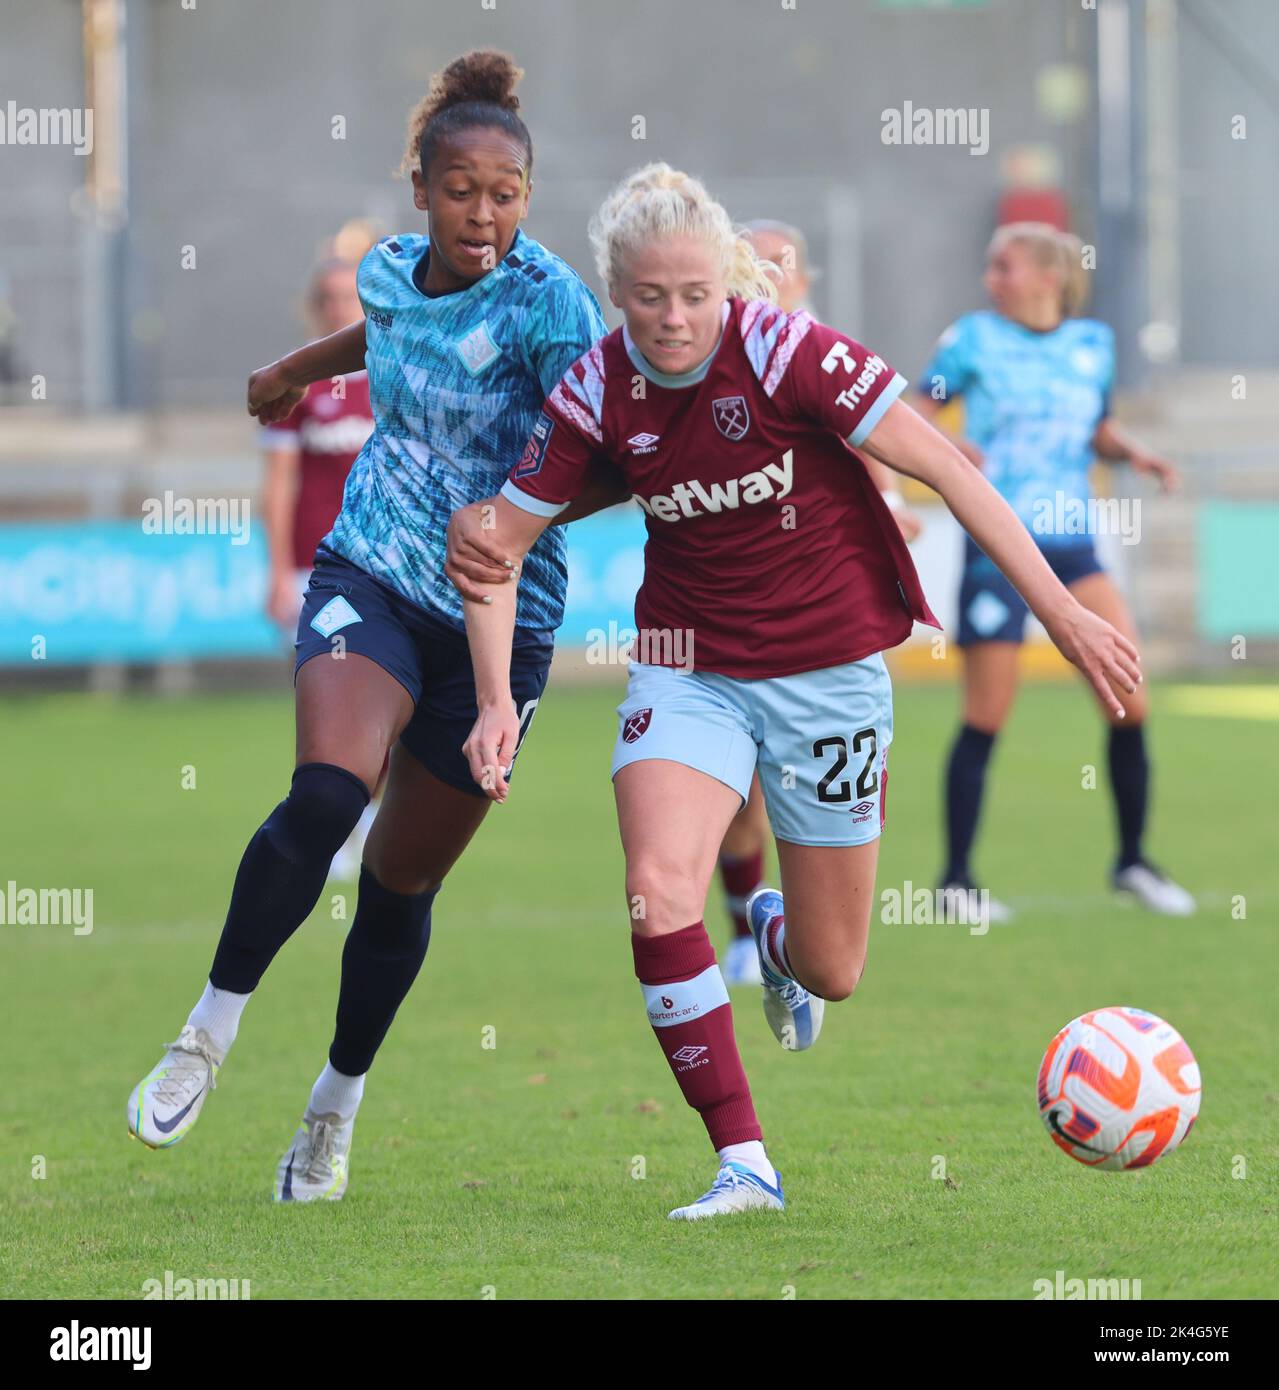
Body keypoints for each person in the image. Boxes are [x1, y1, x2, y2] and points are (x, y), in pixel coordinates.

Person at [446, 165, 1140, 1220]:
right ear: (615, 292)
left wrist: (1061, 609)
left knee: (834, 968)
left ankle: (772, 937)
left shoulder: (785, 350)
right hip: (686, 660)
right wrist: (494, 696)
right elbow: (496, 546)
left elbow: (948, 468)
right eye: (646, 297)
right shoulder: (593, 388)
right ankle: (743, 1161)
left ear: (724, 283)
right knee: (657, 885)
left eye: (692, 295)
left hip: (828, 672)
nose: (672, 319)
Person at [125, 50, 615, 1202]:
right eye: (461, 189)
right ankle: (206, 1030)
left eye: (504, 193)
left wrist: (520, 512)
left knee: (399, 888)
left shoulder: (553, 306)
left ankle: (333, 1105)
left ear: (527, 197)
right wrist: (297, 367)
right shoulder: (392, 272)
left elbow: (616, 450)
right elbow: (386, 334)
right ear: (421, 188)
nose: (482, 213)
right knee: (327, 796)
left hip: (503, 616)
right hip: (375, 570)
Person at [915, 222, 1193, 918]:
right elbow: (914, 411)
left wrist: (1134, 453)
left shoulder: (1090, 345)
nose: (990, 279)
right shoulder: (971, 339)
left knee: (1128, 698)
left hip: (1072, 542)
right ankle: (954, 883)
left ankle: (1132, 863)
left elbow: (1092, 427)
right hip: (996, 544)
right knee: (987, 711)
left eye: (1002, 266)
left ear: (1047, 274)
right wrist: (947, 450)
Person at [259, 255, 378, 881]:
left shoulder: (388, 378)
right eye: (327, 298)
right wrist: (276, 570)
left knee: (384, 706)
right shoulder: (299, 386)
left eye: (347, 298)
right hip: (313, 569)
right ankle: (335, 826)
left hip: (381, 571)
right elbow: (277, 485)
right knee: (324, 708)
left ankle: (369, 825)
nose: (338, 308)